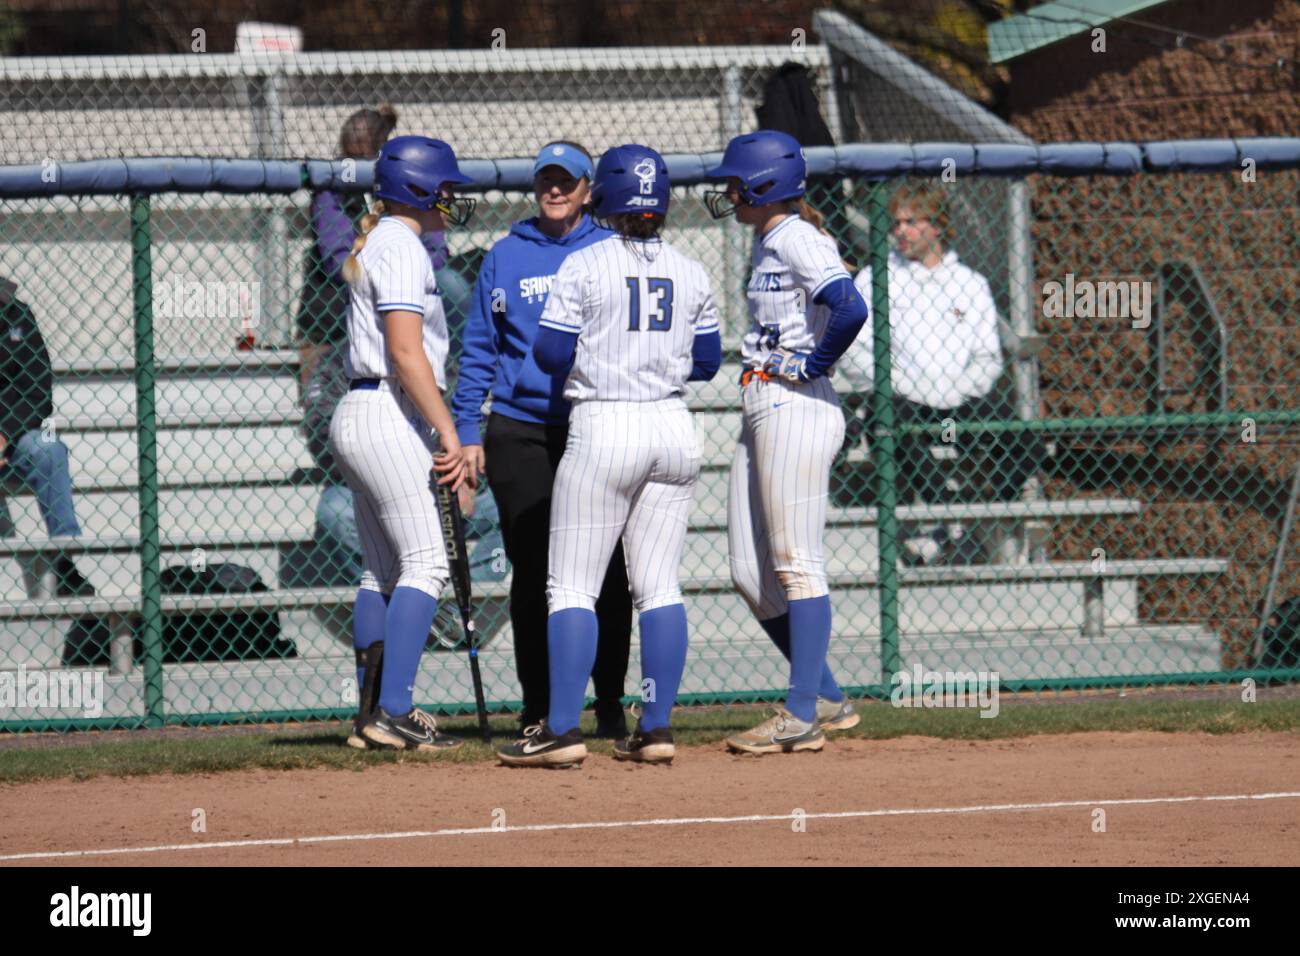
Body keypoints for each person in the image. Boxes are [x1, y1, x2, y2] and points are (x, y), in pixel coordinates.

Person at [496, 144, 722, 767]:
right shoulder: (692, 269)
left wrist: (607, 354)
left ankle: (562, 729)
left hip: (604, 423)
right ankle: (656, 727)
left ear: (602, 196)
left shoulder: (587, 264)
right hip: (673, 428)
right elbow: (707, 361)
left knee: (570, 586)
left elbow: (546, 355)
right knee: (657, 588)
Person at [451, 142, 633, 739]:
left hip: (594, 423)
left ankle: (607, 702)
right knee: (533, 571)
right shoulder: (505, 256)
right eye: (546, 181)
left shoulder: (611, 249)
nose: (555, 191)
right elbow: (478, 349)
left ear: (588, 189)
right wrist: (468, 430)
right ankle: (539, 709)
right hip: (520, 429)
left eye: (568, 182)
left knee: (608, 570)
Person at [704, 130, 869, 755]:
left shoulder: (797, 235)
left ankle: (801, 715)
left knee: (797, 563)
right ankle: (825, 694)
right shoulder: (770, 237)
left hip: (796, 404)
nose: (728, 191)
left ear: (764, 184)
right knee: (750, 572)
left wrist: (813, 364)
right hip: (765, 403)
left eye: (736, 181)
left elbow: (849, 307)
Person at [329, 135, 474, 751]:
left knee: (381, 569)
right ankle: (394, 709)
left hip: (362, 409)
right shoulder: (403, 245)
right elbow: (406, 353)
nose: (451, 197)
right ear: (417, 190)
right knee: (428, 562)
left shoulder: (385, 239)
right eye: (443, 187)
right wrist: (449, 432)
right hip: (389, 409)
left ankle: (370, 715)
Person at [841, 185, 1013, 565]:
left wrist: (954, 390)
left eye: (911, 222)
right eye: (896, 222)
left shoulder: (970, 283)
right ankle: (947, 512)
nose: (900, 231)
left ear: (937, 226)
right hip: (903, 400)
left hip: (959, 403)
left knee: (1020, 435)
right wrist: (905, 386)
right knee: (886, 422)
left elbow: (988, 357)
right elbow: (853, 350)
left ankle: (992, 523)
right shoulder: (875, 278)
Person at [0, 277, 93, 597]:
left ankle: (64, 560)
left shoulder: (15, 313)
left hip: (10, 437)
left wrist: (3, 434)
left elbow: (38, 390)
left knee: (49, 449)